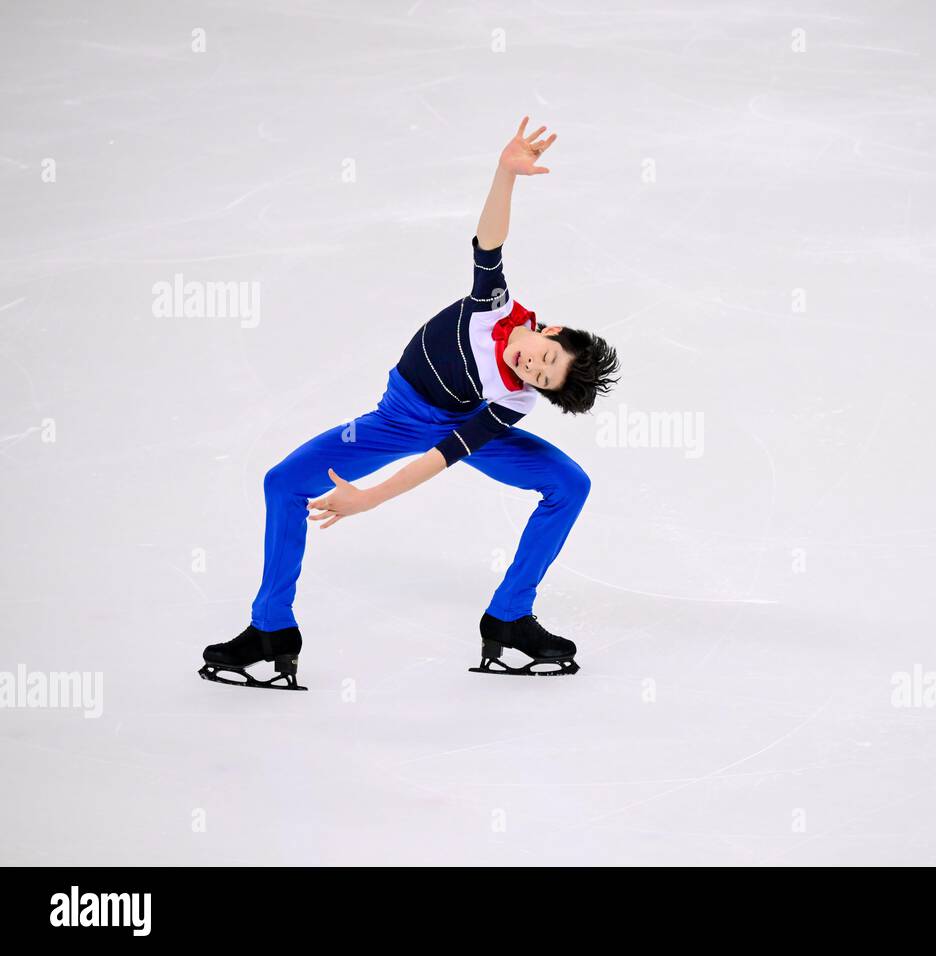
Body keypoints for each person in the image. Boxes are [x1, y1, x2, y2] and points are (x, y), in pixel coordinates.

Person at [199, 117, 620, 689]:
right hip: (397, 420)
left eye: (543, 381)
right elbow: (490, 240)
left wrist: (368, 499)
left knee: (569, 484)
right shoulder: (494, 307)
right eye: (545, 359)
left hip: (458, 430)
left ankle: (509, 616)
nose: (532, 369)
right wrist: (505, 172)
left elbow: (448, 453)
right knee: (283, 482)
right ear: (551, 331)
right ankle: (271, 628)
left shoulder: (510, 399)